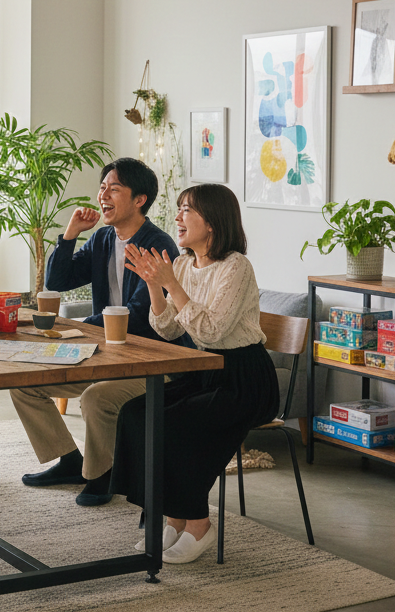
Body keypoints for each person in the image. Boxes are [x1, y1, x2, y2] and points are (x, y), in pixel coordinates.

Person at [110, 183, 279, 564]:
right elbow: (169, 329)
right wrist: (156, 286)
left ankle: (199, 524)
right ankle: (172, 517)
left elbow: (212, 331)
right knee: (138, 414)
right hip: (203, 372)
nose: (178, 217)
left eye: (188, 210)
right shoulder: (184, 264)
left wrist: (170, 283)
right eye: (180, 208)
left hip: (244, 378)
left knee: (178, 427)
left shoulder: (236, 267)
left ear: (213, 222)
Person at [10, 158, 190, 507]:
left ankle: (101, 474)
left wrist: (72, 330)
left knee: (96, 397)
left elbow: (138, 318)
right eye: (102, 187)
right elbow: (58, 281)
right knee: (24, 382)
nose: (102, 195)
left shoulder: (159, 245)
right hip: (107, 353)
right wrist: (71, 234)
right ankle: (69, 461)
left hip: (153, 362)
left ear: (139, 200)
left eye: (114, 188)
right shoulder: (104, 238)